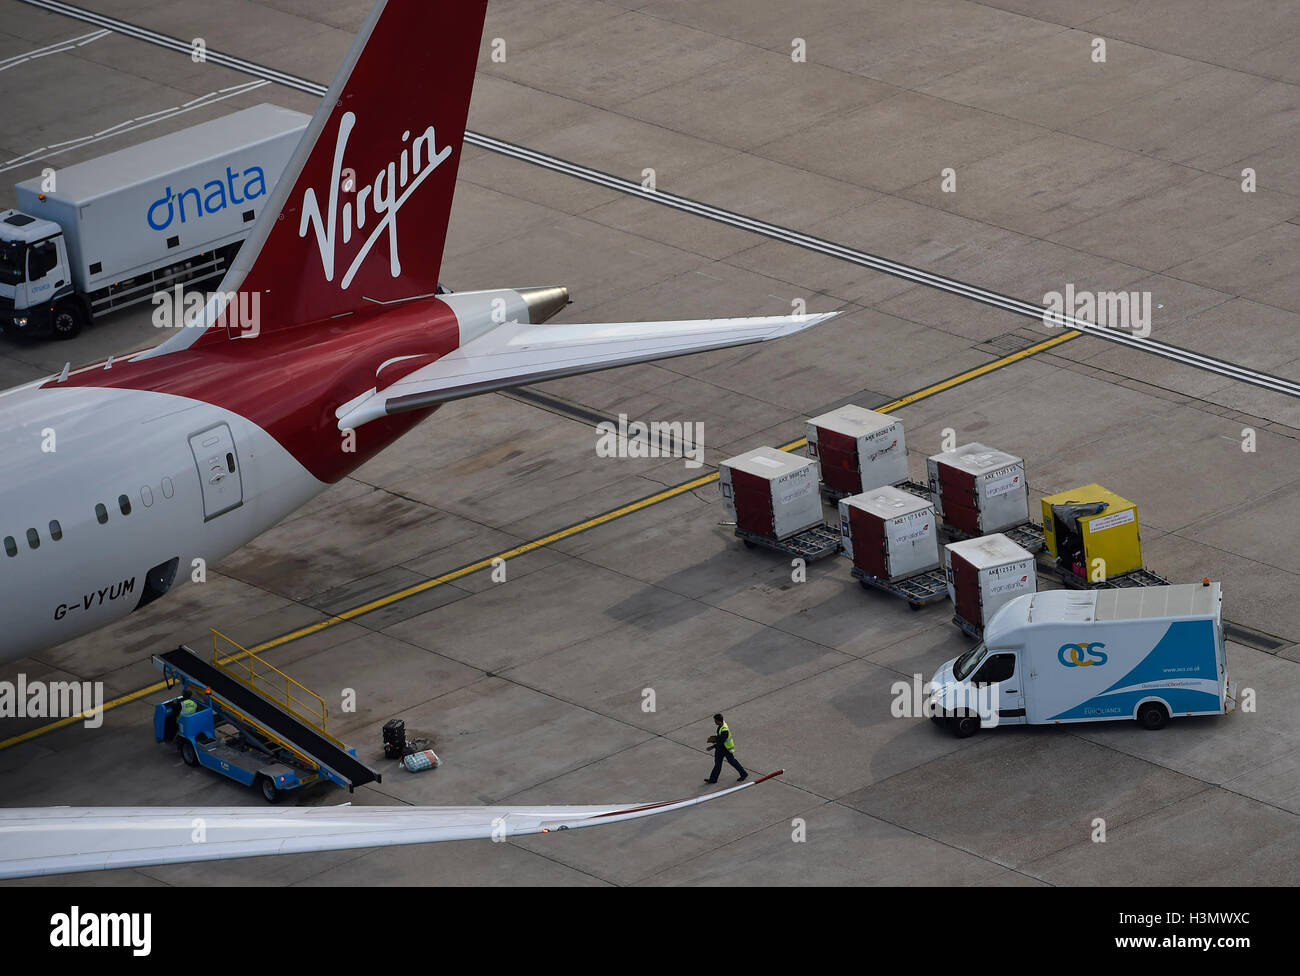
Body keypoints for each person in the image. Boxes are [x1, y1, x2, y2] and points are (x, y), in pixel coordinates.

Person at [704, 713, 747, 783]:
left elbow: (721, 742)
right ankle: (713, 779)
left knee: (732, 762)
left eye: (715, 721)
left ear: (718, 721)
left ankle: (744, 773)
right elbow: (720, 739)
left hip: (726, 749)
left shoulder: (724, 730)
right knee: (717, 764)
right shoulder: (722, 724)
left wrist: (712, 746)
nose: (714, 722)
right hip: (720, 749)